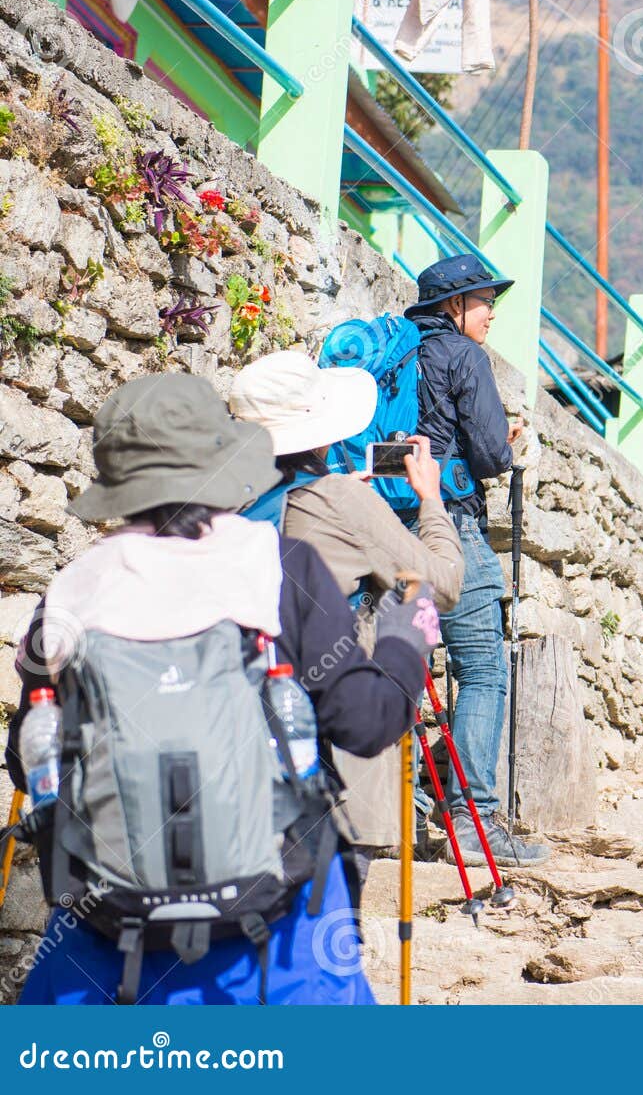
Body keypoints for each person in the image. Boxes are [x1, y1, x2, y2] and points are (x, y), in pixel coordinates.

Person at [4, 374, 439, 1004]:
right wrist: (408, 631)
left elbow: (29, 760)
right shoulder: (279, 568)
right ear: (224, 461)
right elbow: (369, 722)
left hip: (107, 944)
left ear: (114, 481)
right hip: (279, 942)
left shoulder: (73, 591)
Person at [229, 350, 465, 878]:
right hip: (330, 706)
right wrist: (430, 500)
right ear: (320, 430)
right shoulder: (335, 498)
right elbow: (439, 584)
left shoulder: (225, 497)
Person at [405, 255, 544, 867]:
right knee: (483, 669)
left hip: (385, 526)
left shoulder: (397, 354)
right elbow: (488, 455)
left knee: (398, 669)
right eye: (484, 301)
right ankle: (473, 825)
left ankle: (395, 814)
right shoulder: (464, 357)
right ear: (455, 307)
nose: (491, 313)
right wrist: (509, 444)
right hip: (453, 526)